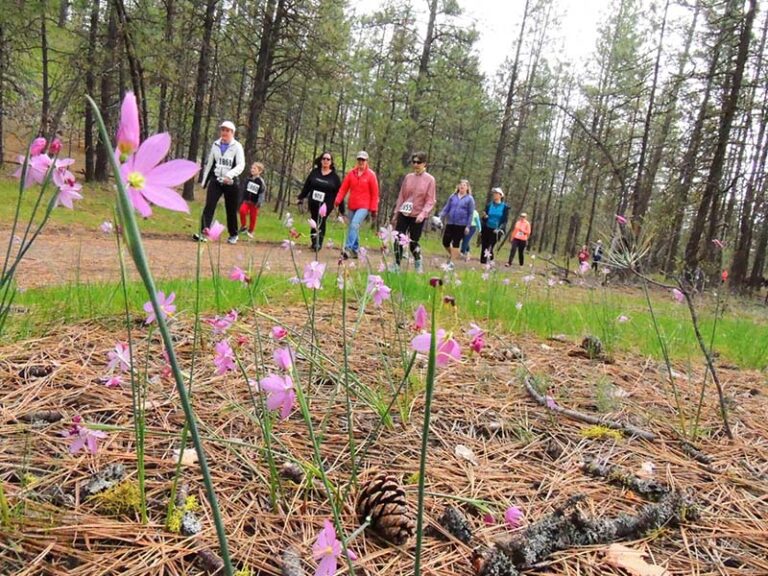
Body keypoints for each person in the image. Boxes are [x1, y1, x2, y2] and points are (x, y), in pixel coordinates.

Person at [196, 121, 245, 244]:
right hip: (216, 180)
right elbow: (211, 163)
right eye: (223, 130)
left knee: (231, 209)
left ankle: (233, 234)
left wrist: (229, 175)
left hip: (231, 183)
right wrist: (204, 181)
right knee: (209, 206)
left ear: (232, 133)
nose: (224, 133)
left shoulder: (237, 146)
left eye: (227, 131)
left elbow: (241, 165)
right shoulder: (215, 144)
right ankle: (203, 232)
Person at [391, 151, 436, 273]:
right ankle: (396, 264)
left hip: (418, 215)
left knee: (413, 242)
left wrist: (423, 214)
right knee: (398, 238)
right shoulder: (408, 177)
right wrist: (396, 213)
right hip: (404, 213)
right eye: (414, 162)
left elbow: (430, 200)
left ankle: (417, 261)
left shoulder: (430, 180)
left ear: (424, 164)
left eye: (418, 162)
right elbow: (402, 196)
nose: (415, 164)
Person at [334, 150, 379, 259]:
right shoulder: (351, 173)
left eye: (363, 160)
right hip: (352, 205)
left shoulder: (371, 175)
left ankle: (347, 249)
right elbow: (343, 188)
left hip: (364, 206)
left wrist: (374, 209)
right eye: (359, 159)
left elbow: (375, 193)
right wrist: (337, 200)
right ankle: (355, 250)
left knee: (354, 224)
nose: (361, 162)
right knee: (353, 227)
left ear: (367, 161)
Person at [297, 152, 342, 251]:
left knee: (321, 220)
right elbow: (307, 186)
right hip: (313, 201)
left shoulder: (334, 177)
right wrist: (301, 197)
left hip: (327, 203)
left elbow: (340, 192)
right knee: (314, 220)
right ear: (321, 160)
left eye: (328, 159)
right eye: (324, 158)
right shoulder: (315, 172)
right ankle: (314, 241)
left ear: (331, 162)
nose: (326, 161)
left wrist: (341, 209)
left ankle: (318, 243)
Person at [439, 179, 475, 270]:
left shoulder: (469, 199)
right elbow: (446, 208)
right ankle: (457, 255)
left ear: (467, 188)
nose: (462, 186)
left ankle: (451, 263)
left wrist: (468, 226)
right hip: (450, 222)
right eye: (461, 184)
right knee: (445, 241)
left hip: (461, 225)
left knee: (456, 243)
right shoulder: (453, 197)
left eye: (464, 185)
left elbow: (471, 213)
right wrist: (440, 216)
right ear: (458, 186)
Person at [480, 187, 509, 264]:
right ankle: (483, 263)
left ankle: (489, 262)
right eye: (494, 193)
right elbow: (484, 217)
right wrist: (485, 217)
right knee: (484, 246)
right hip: (486, 228)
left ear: (501, 195)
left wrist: (501, 229)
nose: (495, 195)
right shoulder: (489, 205)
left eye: (496, 193)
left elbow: (505, 220)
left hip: (496, 230)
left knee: (490, 246)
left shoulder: (505, 207)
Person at [238, 162, 266, 238]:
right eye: (252, 168)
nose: (252, 170)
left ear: (259, 171)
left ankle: (251, 230)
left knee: (253, 217)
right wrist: (242, 198)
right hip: (246, 201)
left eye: (254, 168)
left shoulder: (260, 181)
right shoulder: (248, 179)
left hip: (254, 203)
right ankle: (243, 226)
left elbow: (262, 192)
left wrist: (259, 202)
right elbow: (244, 189)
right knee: (242, 211)